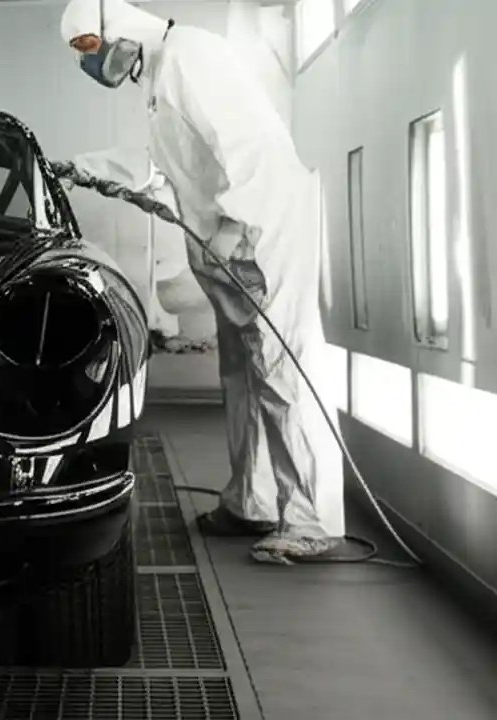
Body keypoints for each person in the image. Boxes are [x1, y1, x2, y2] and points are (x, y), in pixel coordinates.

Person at [57, 0, 345, 560]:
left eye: (88, 48)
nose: (89, 66)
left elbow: (246, 149)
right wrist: (77, 166)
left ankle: (311, 519)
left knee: (283, 370)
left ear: (115, 28)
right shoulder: (163, 74)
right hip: (230, 245)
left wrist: (240, 232)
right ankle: (254, 502)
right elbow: (159, 163)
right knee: (243, 372)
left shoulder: (191, 55)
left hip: (259, 236)